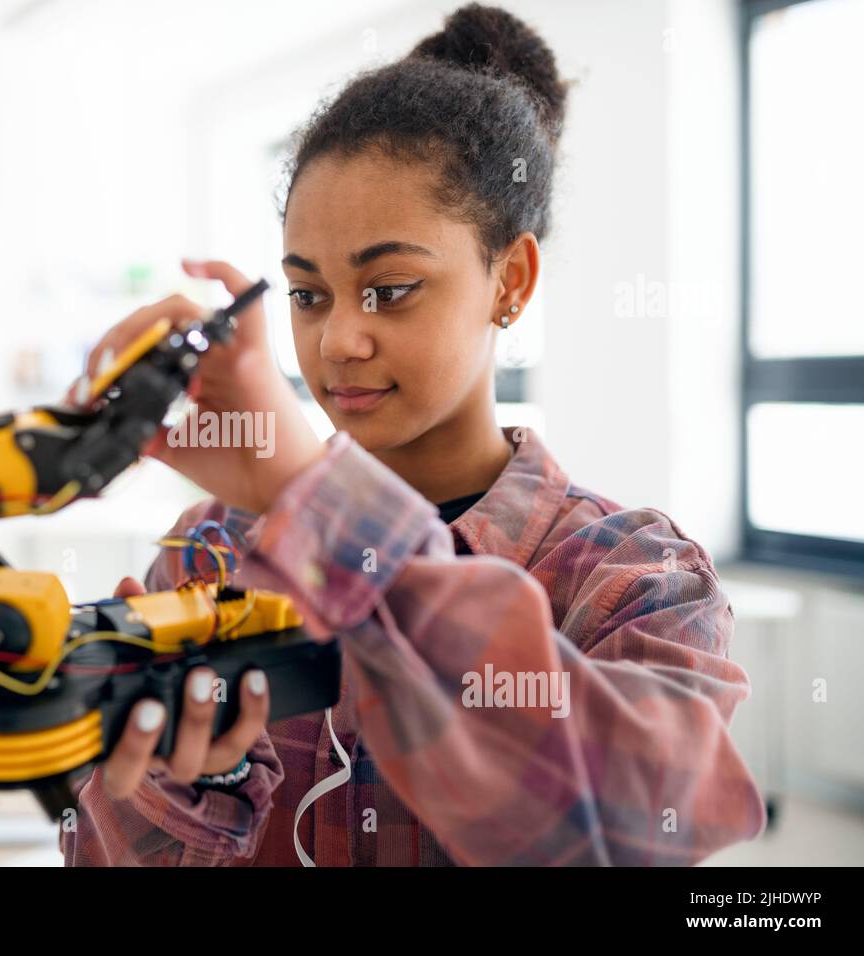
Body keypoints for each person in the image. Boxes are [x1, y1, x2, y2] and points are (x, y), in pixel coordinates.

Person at [60, 4, 766, 866]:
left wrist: (311, 503)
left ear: (510, 279)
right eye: (308, 294)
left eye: (389, 289)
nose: (336, 341)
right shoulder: (209, 555)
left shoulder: (631, 579)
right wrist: (182, 788)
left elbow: (631, 831)